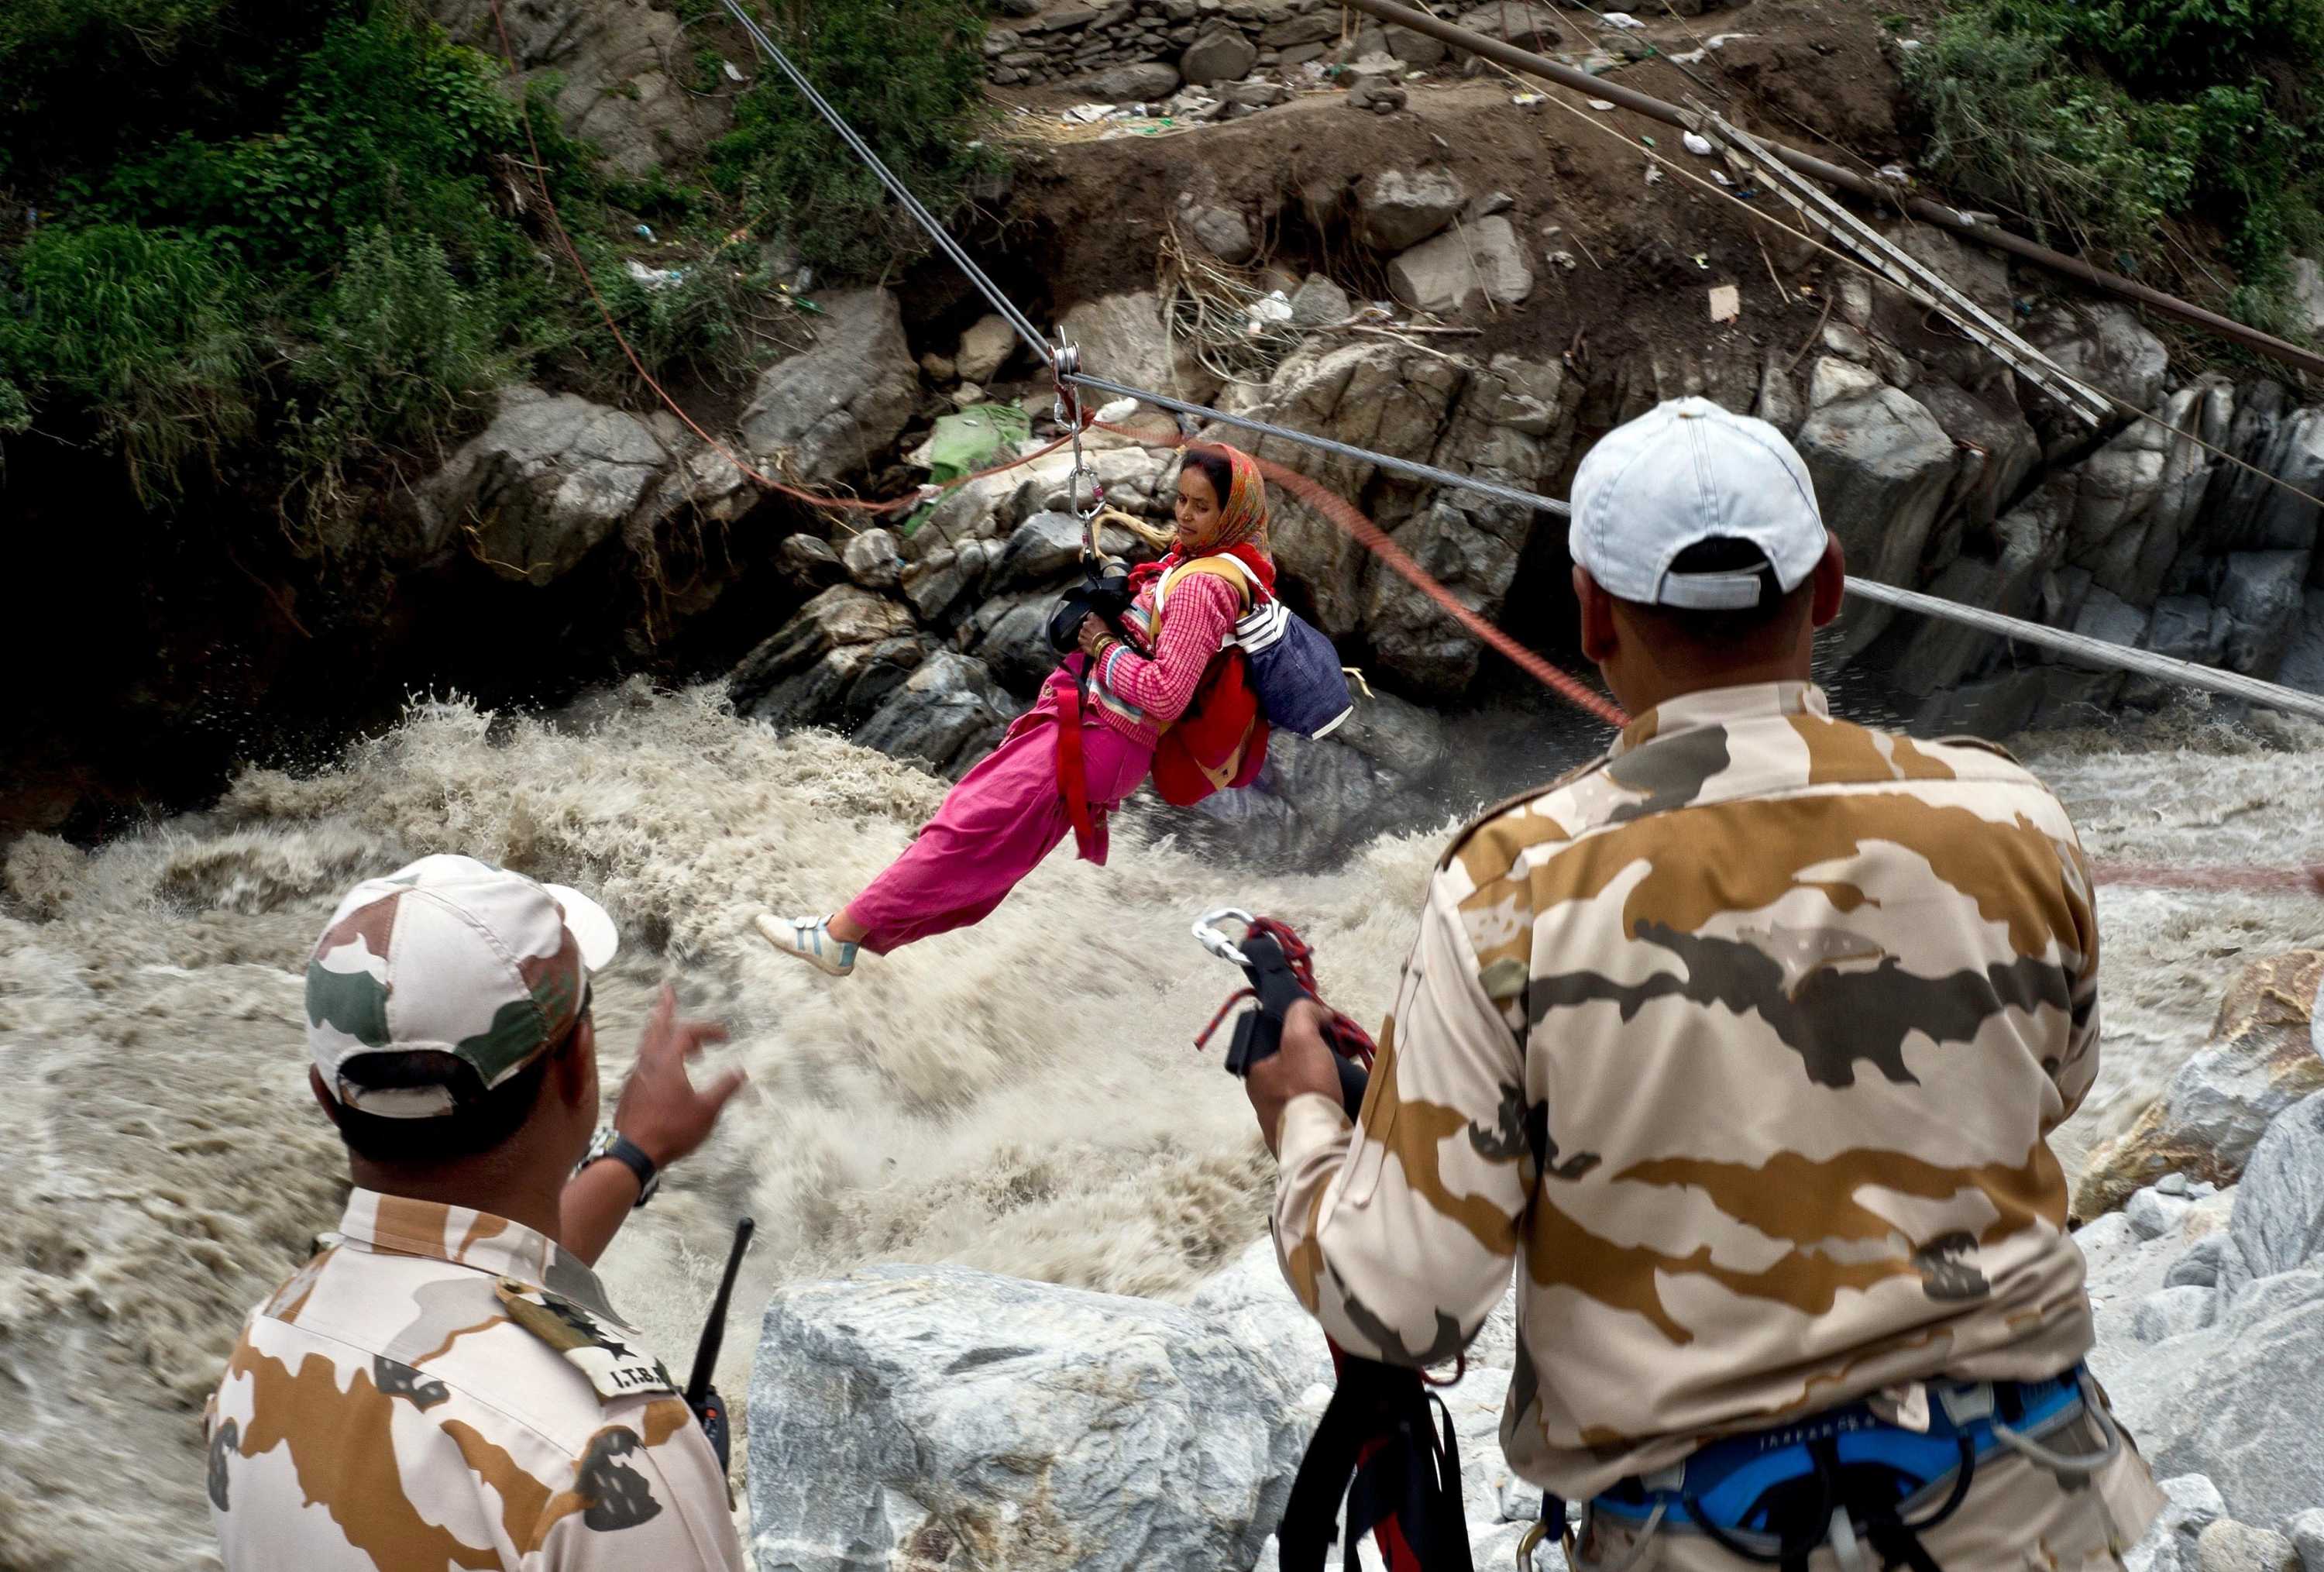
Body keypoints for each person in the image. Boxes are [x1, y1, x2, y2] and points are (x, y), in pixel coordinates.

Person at [1243, 398, 2166, 1571]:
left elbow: (1400, 1303)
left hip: (1710, 1536)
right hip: (2041, 1514)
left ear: (1587, 614)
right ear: (1829, 584)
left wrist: (1308, 1118)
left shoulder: (1511, 884)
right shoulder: (2014, 817)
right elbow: (2059, 1079)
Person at [205, 854, 750, 1570]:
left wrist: (637, 1155)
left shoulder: (266, 1345)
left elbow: (478, 1272)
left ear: (326, 1094)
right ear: (583, 1063)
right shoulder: (611, 1456)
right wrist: (685, 1497)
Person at [756, 442, 1275, 976]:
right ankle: (857, 933)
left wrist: (1101, 645)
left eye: (1202, 506)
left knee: (963, 831)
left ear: (1231, 514)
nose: (1185, 516)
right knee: (987, 856)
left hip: (1100, 736)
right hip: (1103, 740)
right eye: (1181, 500)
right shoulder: (1206, 565)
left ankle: (839, 935)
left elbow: (1168, 693)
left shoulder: (1204, 586)